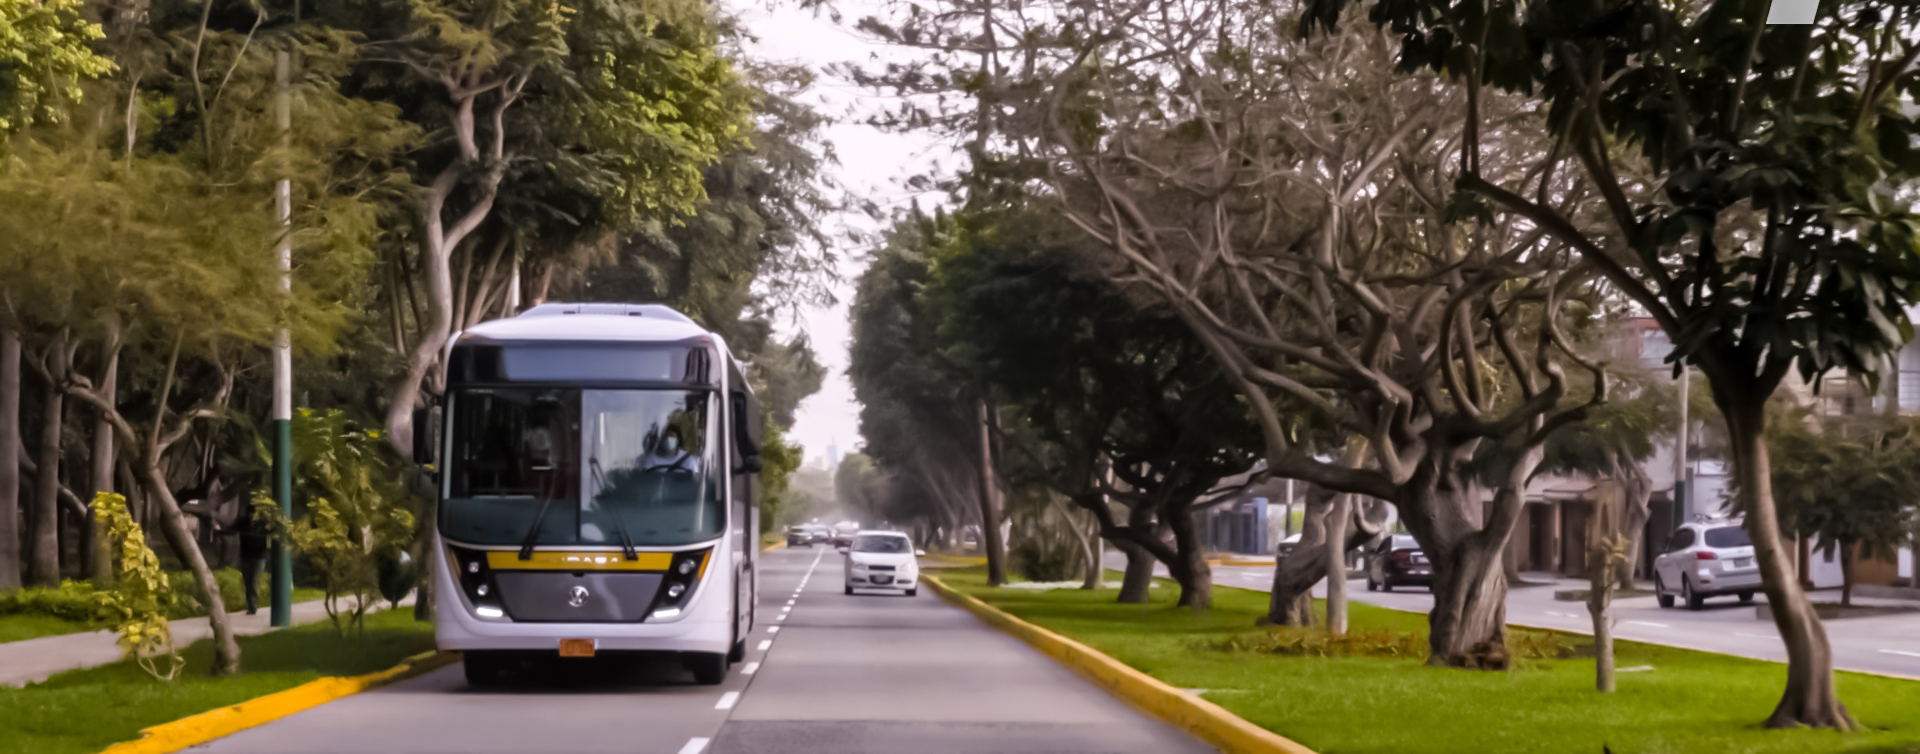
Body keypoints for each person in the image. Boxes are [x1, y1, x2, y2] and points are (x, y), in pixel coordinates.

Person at [234, 490, 269, 615]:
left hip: (259, 557)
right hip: (246, 556)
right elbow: (230, 528)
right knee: (247, 582)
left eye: (253, 513)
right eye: (250, 513)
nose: (251, 515)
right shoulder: (242, 522)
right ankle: (250, 605)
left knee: (253, 581)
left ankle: (253, 606)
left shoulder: (262, 524)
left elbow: (272, 531)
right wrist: (218, 528)